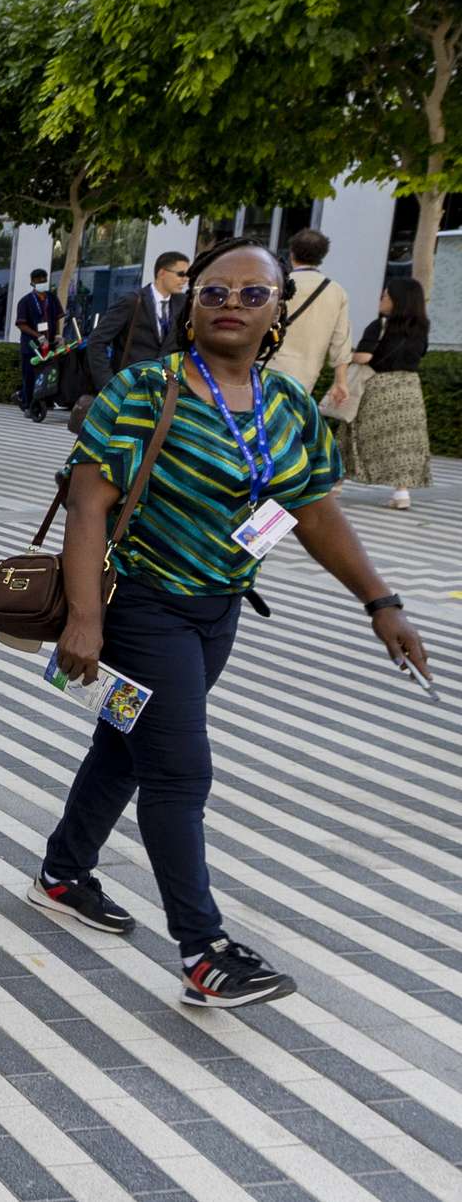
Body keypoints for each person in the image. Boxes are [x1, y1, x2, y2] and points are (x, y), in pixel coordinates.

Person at [33, 237, 429, 1009]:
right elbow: (89, 502)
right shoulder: (146, 389)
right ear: (190, 305)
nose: (232, 306)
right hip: (142, 608)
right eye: (214, 292)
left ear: (279, 310)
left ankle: (63, 871)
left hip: (219, 614)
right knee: (180, 772)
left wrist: (381, 603)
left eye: (254, 295)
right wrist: (82, 618)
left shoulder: (286, 408)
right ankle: (204, 952)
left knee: (125, 745)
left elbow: (314, 512)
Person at [337, 278, 433, 510]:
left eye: (386, 296)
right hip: (409, 387)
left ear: (398, 300)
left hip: (380, 386)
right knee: (404, 441)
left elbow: (364, 358)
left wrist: (348, 356)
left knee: (353, 432)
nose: (381, 299)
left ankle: (335, 484)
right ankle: (402, 493)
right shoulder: (421, 327)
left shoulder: (379, 325)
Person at [269, 229, 355, 399]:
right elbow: (341, 340)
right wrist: (341, 381)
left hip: (267, 363)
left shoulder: (276, 284)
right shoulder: (336, 292)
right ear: (322, 256)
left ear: (291, 253)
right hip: (306, 374)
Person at [90, 252, 190, 389]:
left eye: (187, 275)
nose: (185, 280)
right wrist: (108, 384)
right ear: (162, 273)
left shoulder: (183, 303)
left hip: (164, 389)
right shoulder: (132, 301)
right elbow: (96, 341)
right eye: (181, 274)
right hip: (129, 387)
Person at [15, 269, 65, 415]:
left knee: (49, 373)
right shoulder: (25, 301)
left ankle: (46, 401)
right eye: (38, 281)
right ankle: (27, 404)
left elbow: (57, 318)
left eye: (44, 280)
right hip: (31, 345)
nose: (42, 283)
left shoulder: (52, 298)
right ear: (32, 282)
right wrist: (37, 336)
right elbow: (21, 324)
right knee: (30, 374)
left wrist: (57, 335)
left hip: (49, 343)